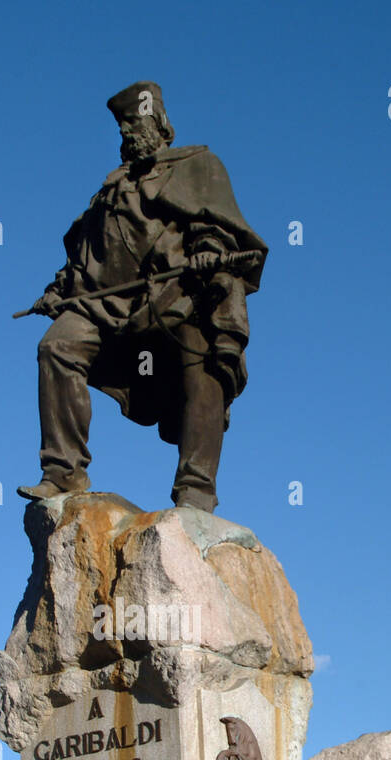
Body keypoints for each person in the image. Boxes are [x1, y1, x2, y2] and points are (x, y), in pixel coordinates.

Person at [16, 81, 268, 513]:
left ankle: (195, 490)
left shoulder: (197, 166)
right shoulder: (110, 191)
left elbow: (218, 225)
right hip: (109, 304)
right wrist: (57, 291)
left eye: (135, 121)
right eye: (123, 126)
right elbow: (85, 255)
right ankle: (63, 472)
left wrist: (207, 252)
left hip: (178, 292)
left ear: (159, 123)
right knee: (57, 345)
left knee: (204, 361)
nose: (128, 132)